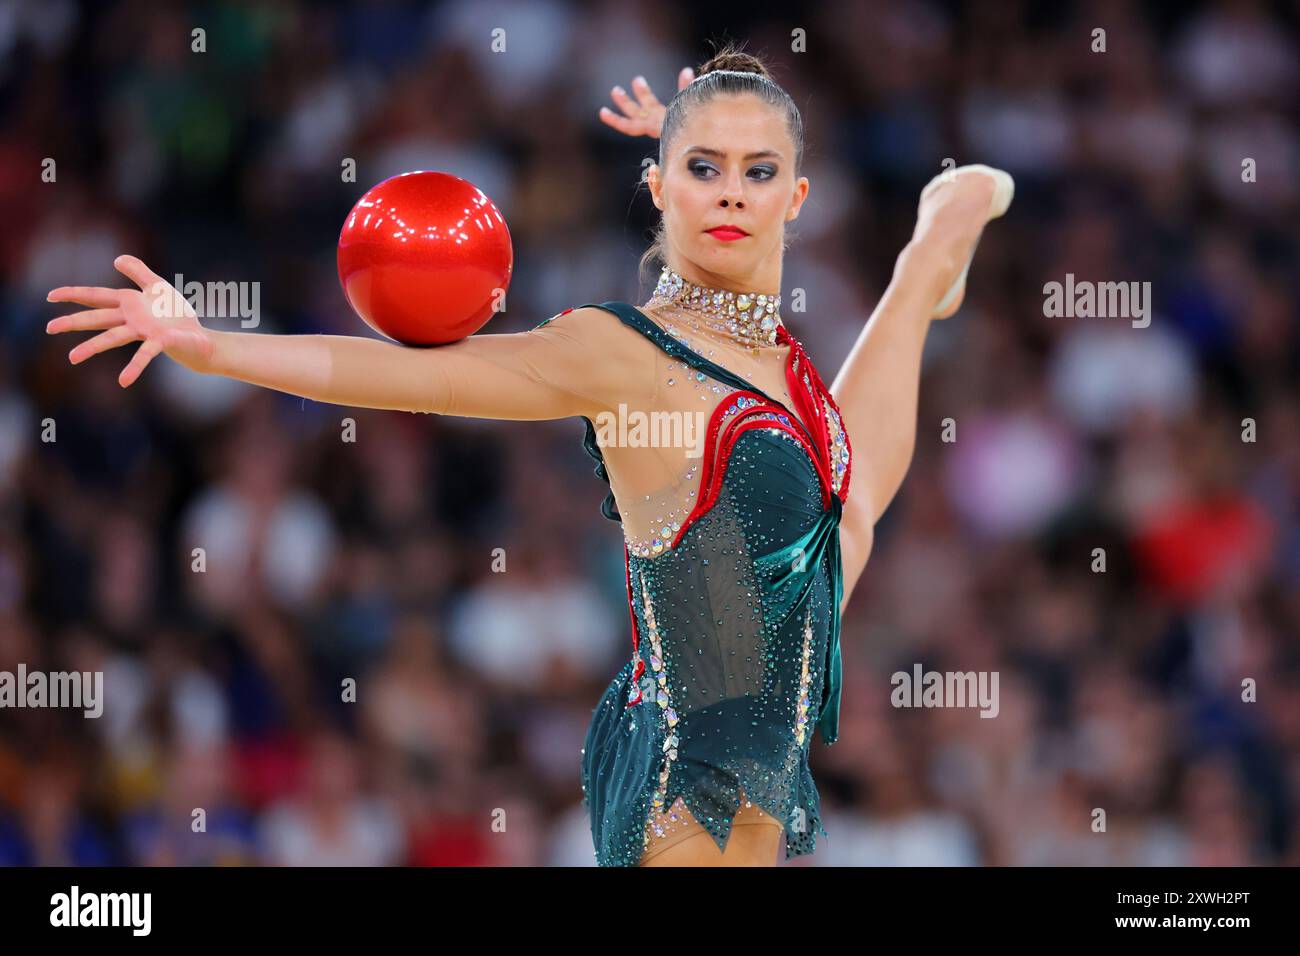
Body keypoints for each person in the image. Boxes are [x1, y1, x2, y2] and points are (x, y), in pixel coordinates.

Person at [44, 45, 1012, 867]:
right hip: (699, 772)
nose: (730, 193)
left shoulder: (775, 358)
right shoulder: (616, 352)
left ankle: (926, 259)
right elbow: (413, 374)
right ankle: (926, 261)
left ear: (797, 196)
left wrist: (686, 136)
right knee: (833, 514)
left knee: (840, 506)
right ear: (657, 185)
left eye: (757, 172)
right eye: (702, 169)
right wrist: (214, 347)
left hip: (751, 722)